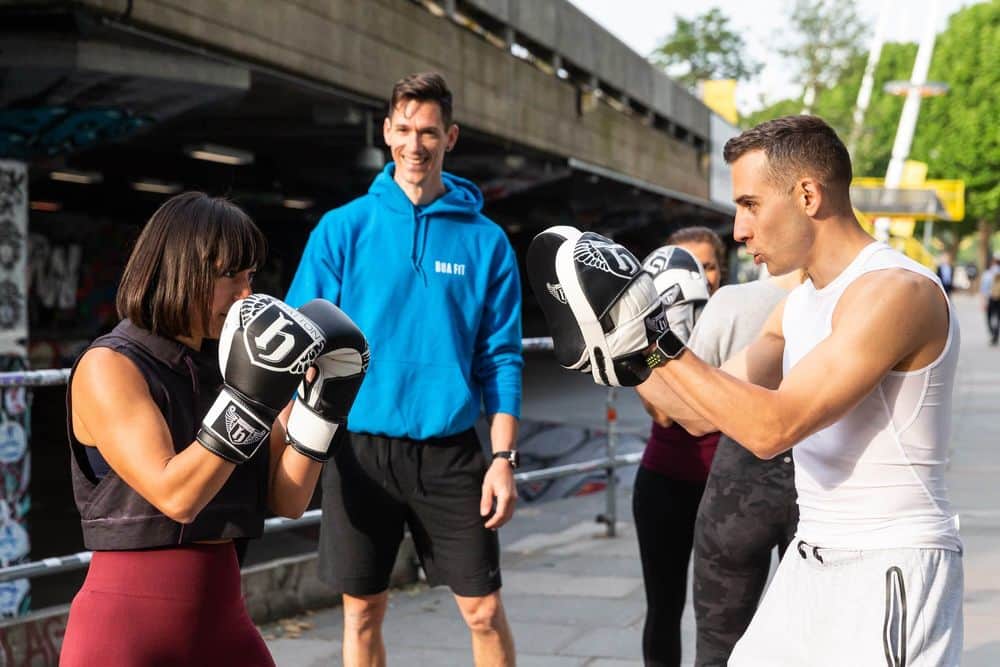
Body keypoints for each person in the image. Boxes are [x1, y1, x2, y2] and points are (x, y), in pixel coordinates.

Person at [533, 115, 963, 665]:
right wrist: (621, 346)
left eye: (751, 204)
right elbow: (696, 415)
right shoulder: (799, 304)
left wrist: (655, 336)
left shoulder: (896, 293)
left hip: (889, 564)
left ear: (807, 194)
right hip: (812, 563)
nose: (738, 229)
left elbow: (773, 427)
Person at [60, 192, 368, 666]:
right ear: (181, 268)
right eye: (230, 276)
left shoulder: (230, 365)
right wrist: (248, 401)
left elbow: (287, 499)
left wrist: (321, 406)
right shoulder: (111, 365)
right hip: (127, 634)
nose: (246, 294)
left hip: (223, 624)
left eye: (249, 277)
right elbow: (177, 496)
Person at [285, 72, 522, 666]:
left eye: (430, 132)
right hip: (359, 450)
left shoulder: (486, 241)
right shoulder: (342, 229)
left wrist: (502, 459)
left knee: (484, 611)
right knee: (362, 612)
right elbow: (300, 337)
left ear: (451, 137)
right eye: (405, 130)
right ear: (388, 131)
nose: (415, 144)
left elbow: (501, 356)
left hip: (450, 452)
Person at [689, 269, 802, 667]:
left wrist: (640, 345)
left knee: (719, 645)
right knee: (815, 643)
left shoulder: (733, 301)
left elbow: (688, 412)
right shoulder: (864, 292)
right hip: (823, 475)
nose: (740, 229)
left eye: (750, 204)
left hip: (741, 478)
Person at [632, 228, 724, 667]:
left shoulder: (739, 320)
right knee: (664, 611)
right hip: (664, 483)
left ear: (721, 271)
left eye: (707, 266)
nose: (699, 277)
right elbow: (664, 412)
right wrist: (655, 343)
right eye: (686, 266)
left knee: (724, 618)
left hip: (725, 491)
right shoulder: (651, 336)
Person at [980, 251, 1000, 345]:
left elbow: (984, 289)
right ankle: (996, 333)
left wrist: (983, 301)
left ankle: (993, 333)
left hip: (991, 298)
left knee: (989, 317)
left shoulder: (988, 273)